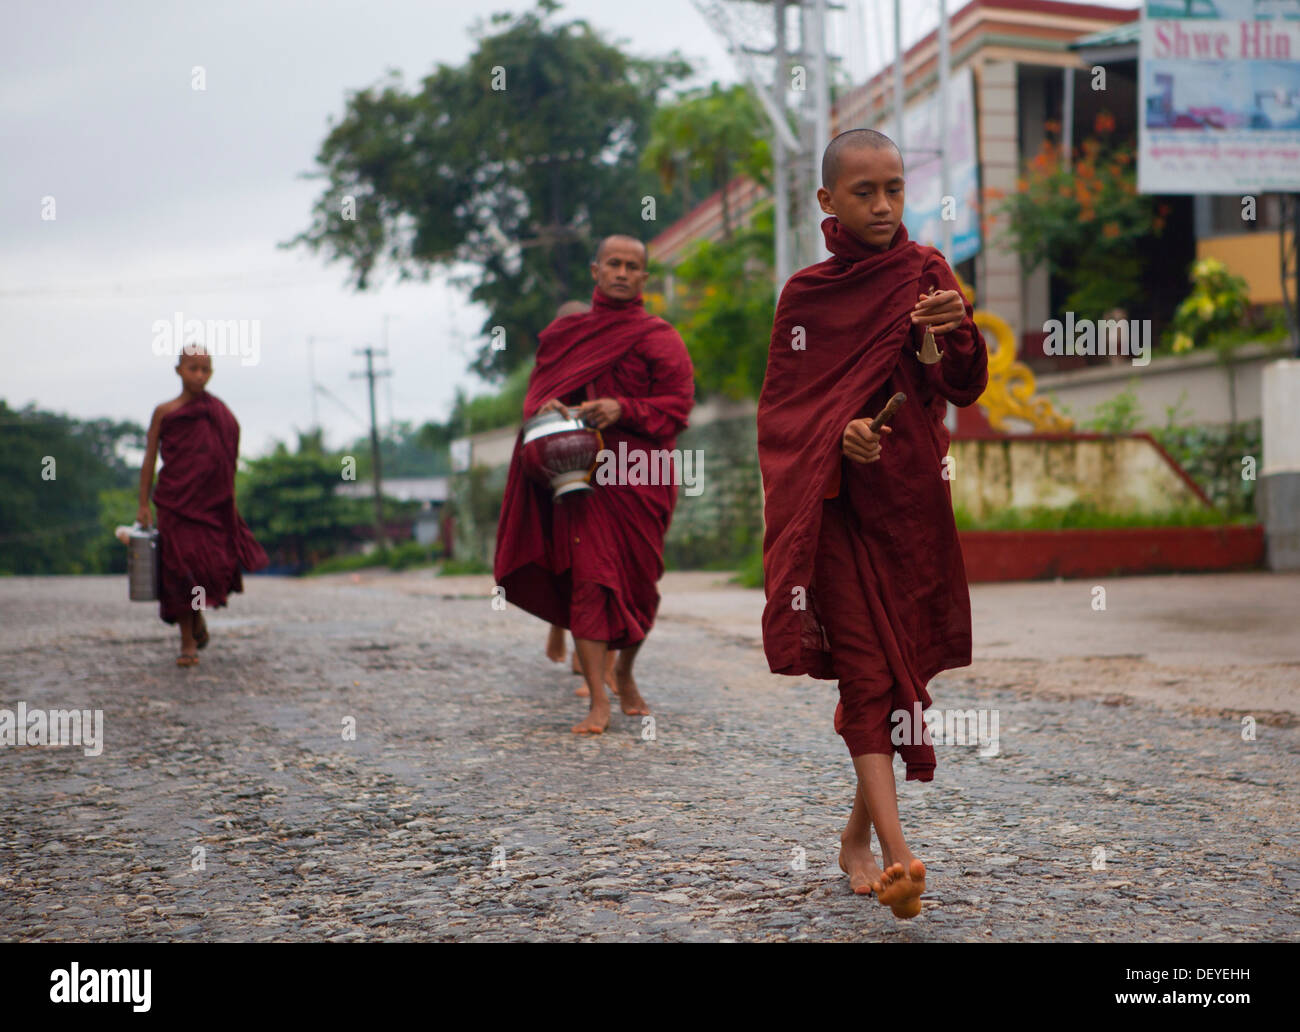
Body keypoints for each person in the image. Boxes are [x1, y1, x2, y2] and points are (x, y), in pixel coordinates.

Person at [757, 130, 988, 918]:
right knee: (867, 669)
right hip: (836, 517)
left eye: (895, 187)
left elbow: (962, 386)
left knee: (900, 670)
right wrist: (840, 437)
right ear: (827, 201)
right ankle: (899, 854)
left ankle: (857, 835)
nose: (885, 204)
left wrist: (955, 327)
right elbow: (787, 414)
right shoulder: (805, 299)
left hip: (911, 508)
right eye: (866, 192)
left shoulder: (927, 273)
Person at [496, 235, 694, 733]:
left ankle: (624, 673)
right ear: (595, 271)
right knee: (590, 577)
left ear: (644, 278)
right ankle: (598, 705)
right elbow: (538, 401)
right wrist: (554, 408)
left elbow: (678, 405)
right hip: (586, 474)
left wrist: (624, 408)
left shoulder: (660, 337)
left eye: (632, 266)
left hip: (643, 473)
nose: (623, 272)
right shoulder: (570, 334)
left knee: (640, 583)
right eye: (614, 264)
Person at [137, 344, 268, 666]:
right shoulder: (165, 412)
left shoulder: (219, 413)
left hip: (210, 506)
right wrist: (143, 503)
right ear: (178, 370)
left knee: (207, 567)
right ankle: (188, 642)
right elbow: (150, 457)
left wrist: (229, 503)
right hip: (174, 503)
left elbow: (228, 460)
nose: (199, 375)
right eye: (192, 368)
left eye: (205, 369)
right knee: (179, 570)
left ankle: (197, 618)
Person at [539, 299, 618, 699]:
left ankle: (606, 667)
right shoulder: (553, 365)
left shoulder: (610, 354)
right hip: (565, 476)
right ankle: (564, 630)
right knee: (572, 562)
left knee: (611, 570)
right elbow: (536, 416)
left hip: (613, 471)